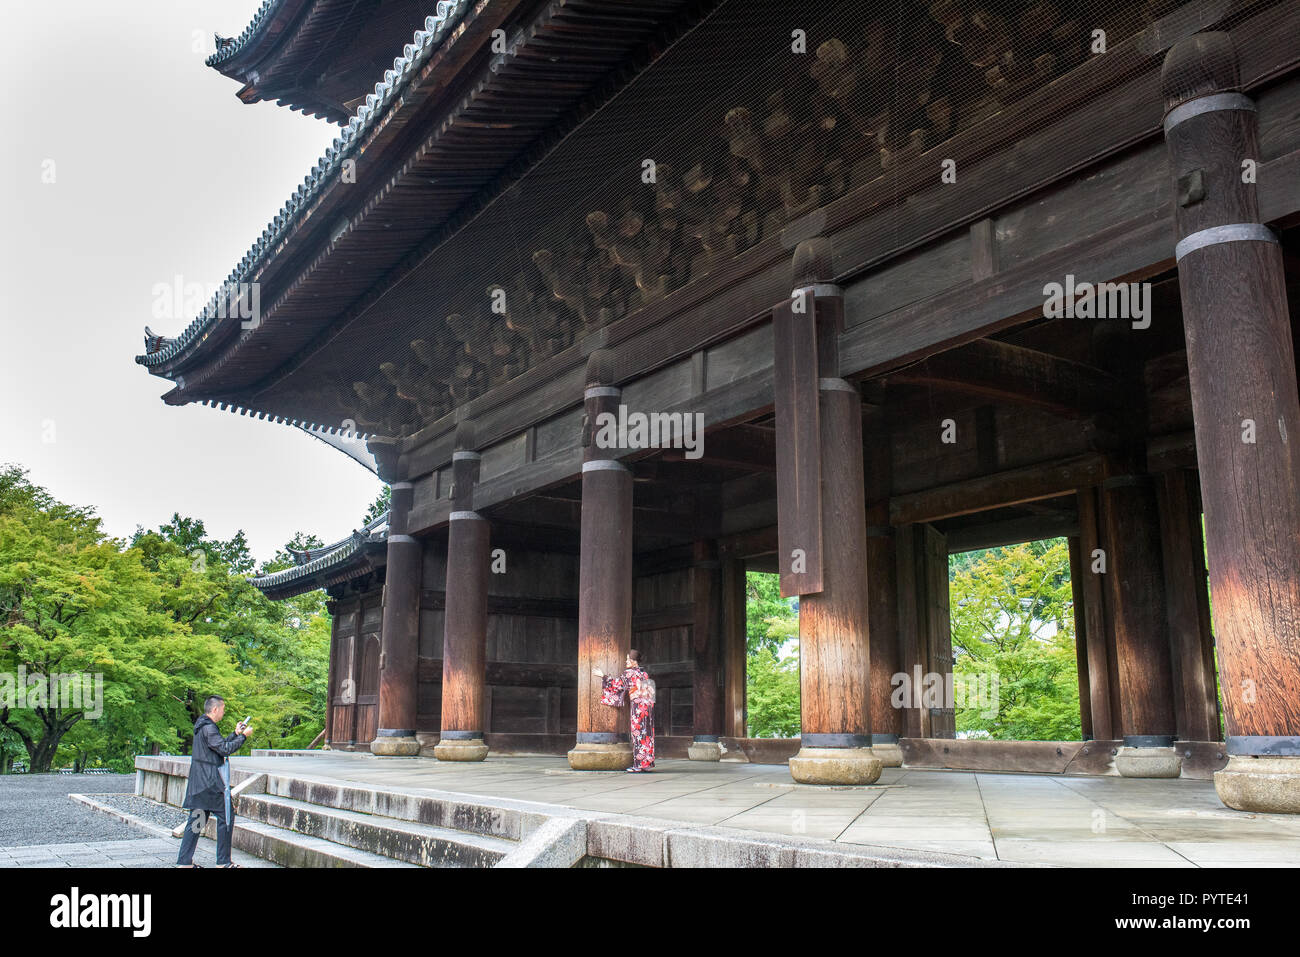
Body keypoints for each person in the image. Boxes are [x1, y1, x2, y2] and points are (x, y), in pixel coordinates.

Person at [176, 695, 250, 868]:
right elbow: (224, 749)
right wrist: (243, 737)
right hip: (210, 784)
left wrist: (235, 734)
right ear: (215, 709)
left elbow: (218, 746)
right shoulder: (209, 728)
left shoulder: (202, 726)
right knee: (226, 817)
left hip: (199, 784)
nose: (223, 713)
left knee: (196, 822)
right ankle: (223, 862)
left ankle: (184, 862)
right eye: (223, 709)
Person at [593, 650, 656, 773]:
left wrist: (603, 676)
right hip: (648, 707)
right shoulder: (644, 673)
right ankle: (647, 763)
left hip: (638, 707)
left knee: (637, 734)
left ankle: (638, 765)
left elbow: (617, 684)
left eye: (628, 660)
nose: (626, 662)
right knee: (647, 734)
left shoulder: (629, 673)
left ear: (633, 661)